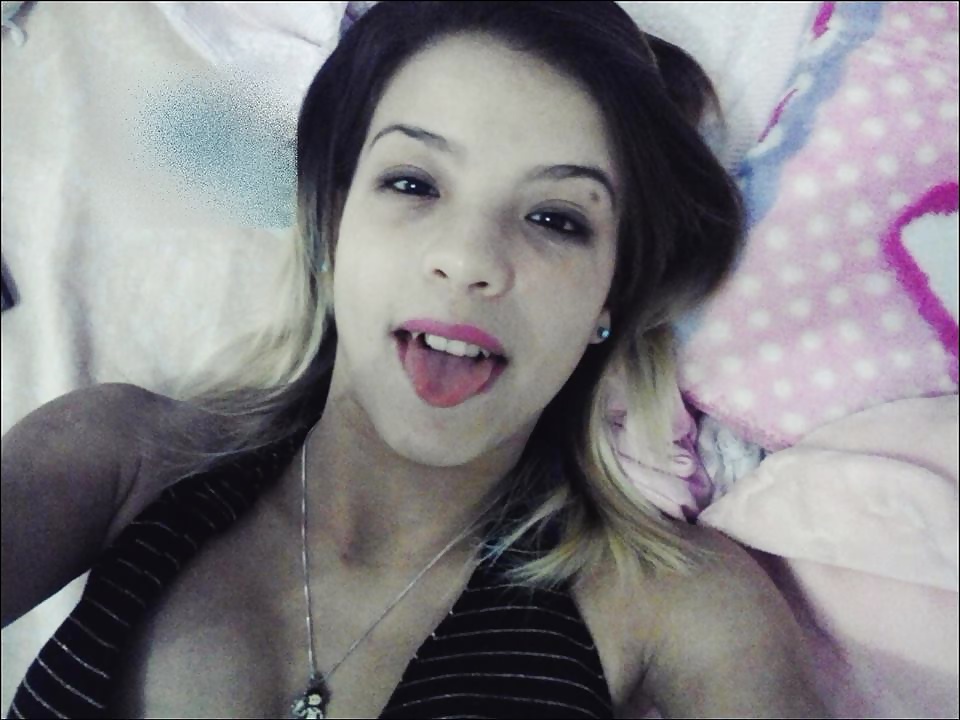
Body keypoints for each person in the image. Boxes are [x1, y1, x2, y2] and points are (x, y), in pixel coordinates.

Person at [1, 2, 829, 718]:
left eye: (556, 218)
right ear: (334, 225)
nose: (468, 259)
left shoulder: (678, 604)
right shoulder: (117, 458)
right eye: (413, 184)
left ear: (609, 298)